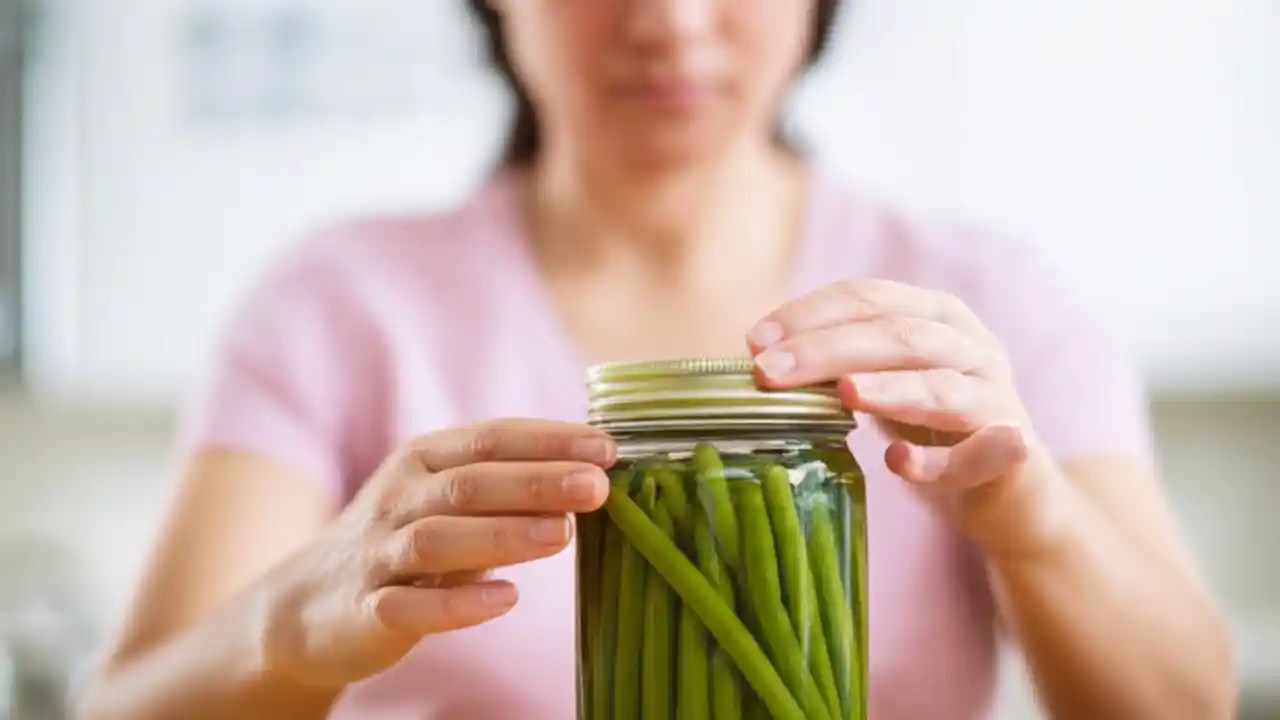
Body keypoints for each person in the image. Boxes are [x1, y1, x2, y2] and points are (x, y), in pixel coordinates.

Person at [80, 1, 1234, 718]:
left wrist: (1032, 519)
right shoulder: (335, 304)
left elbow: (1185, 709)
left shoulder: (982, 300)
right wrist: (298, 615)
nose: (671, 20)